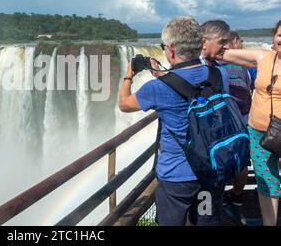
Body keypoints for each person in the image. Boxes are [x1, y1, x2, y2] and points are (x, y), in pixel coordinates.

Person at [118, 17, 229, 226]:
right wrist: (162, 73)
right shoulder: (218, 75)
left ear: (170, 50)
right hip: (212, 171)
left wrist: (128, 75)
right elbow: (192, 86)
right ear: (199, 45)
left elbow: (124, 104)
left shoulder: (157, 89)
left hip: (175, 179)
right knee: (205, 221)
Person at [215, 20, 281, 226]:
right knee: (265, 180)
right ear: (274, 36)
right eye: (280, 35)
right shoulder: (263, 57)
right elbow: (222, 54)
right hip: (259, 131)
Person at [201, 22, 252, 207]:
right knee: (240, 159)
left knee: (218, 161)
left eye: (228, 42)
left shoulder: (212, 68)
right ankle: (236, 196)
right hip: (242, 121)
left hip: (221, 124)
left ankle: (214, 204)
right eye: (223, 42)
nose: (228, 47)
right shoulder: (241, 67)